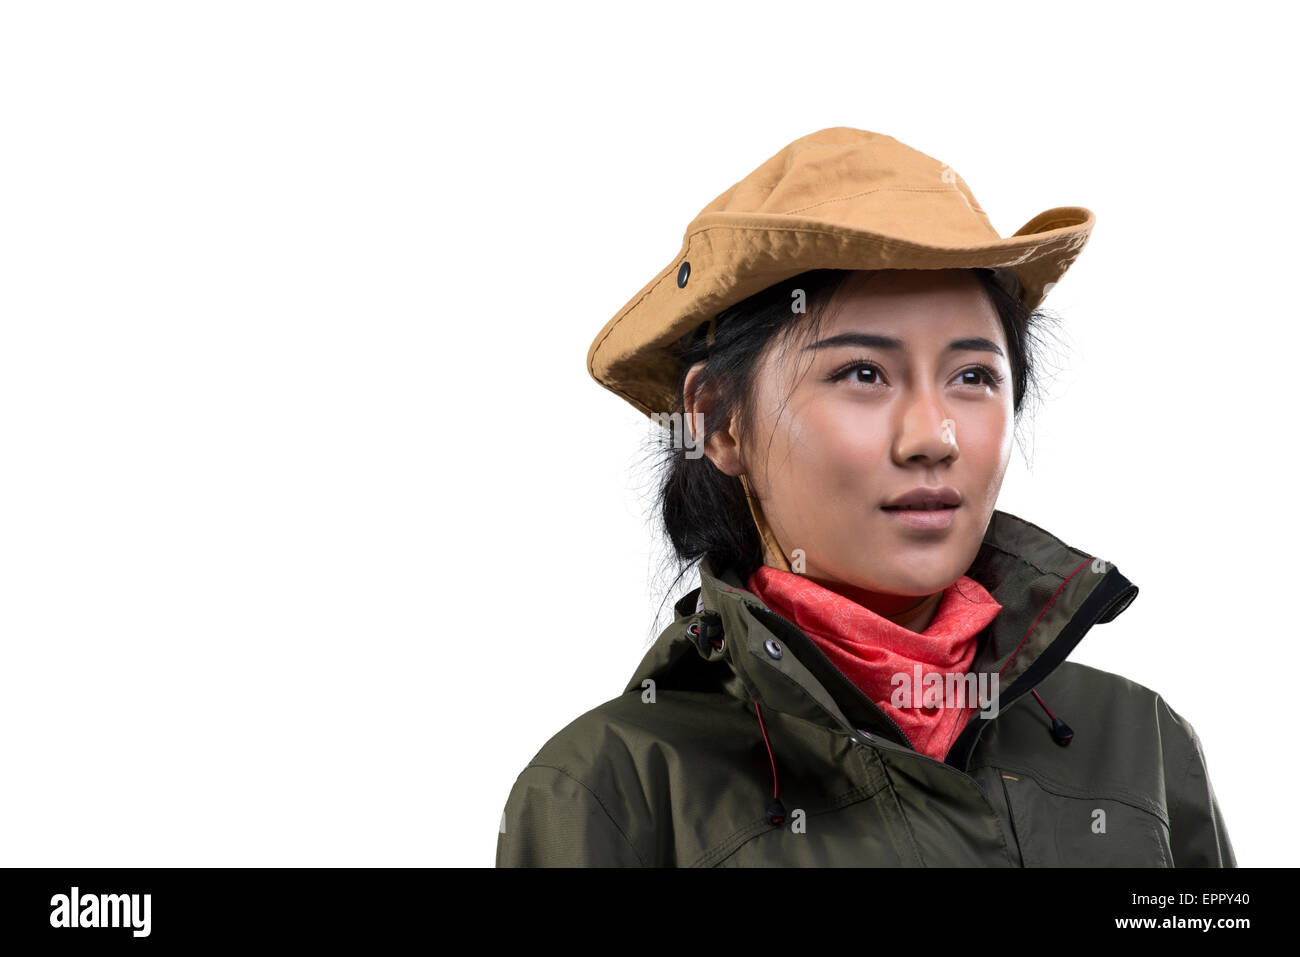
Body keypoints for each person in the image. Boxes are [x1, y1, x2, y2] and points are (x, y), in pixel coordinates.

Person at [495, 127, 1234, 867]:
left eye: (973, 376)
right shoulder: (612, 789)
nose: (933, 436)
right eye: (863, 374)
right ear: (718, 420)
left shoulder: (1144, 746)